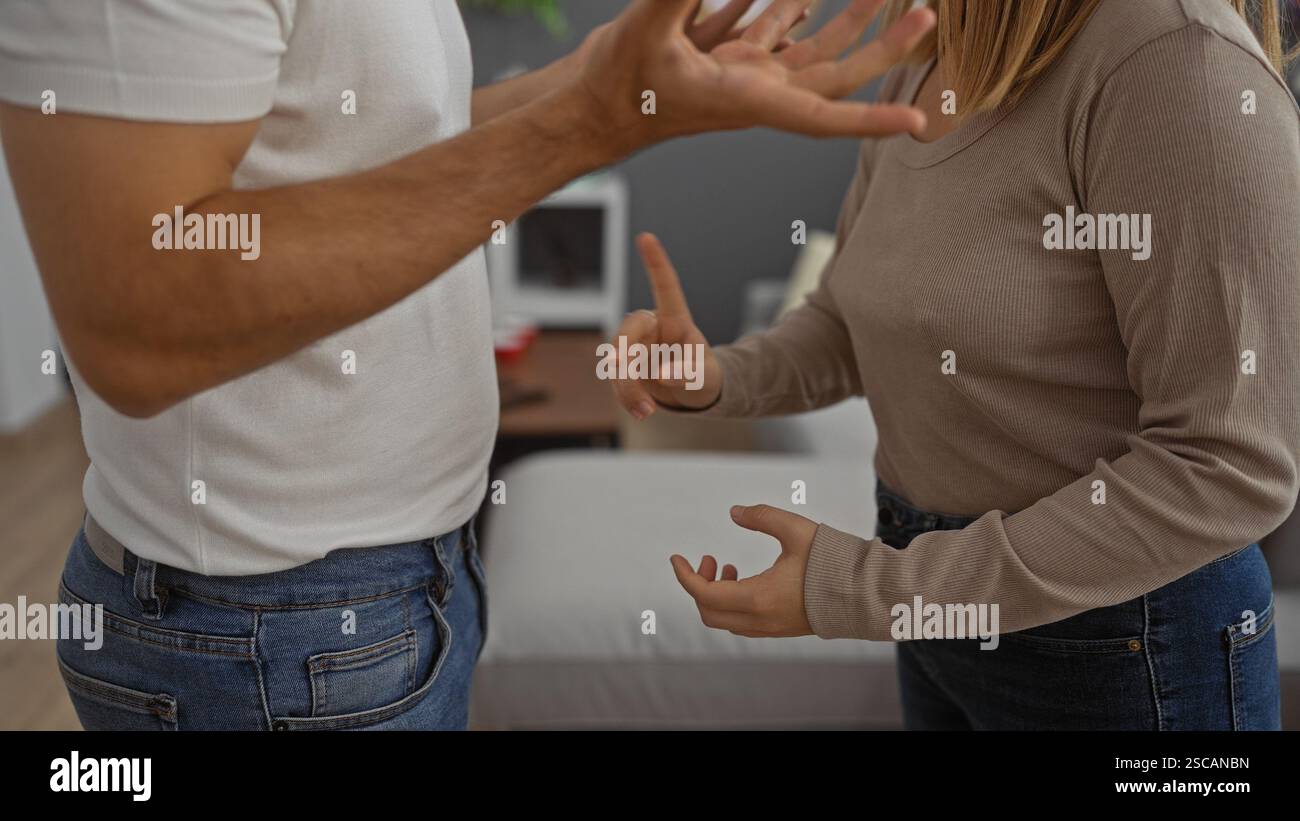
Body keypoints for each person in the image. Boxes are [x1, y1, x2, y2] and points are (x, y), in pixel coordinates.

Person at [0, 0, 936, 730]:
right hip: (268, 634)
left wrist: (602, 85)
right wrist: (585, 121)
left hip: (397, 586)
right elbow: (140, 317)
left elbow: (368, 146)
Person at [613, 0, 1300, 729]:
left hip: (1126, 648)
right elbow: (851, 318)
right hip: (939, 613)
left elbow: (1227, 463)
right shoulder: (929, 59)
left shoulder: (1173, 61)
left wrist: (873, 587)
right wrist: (711, 377)